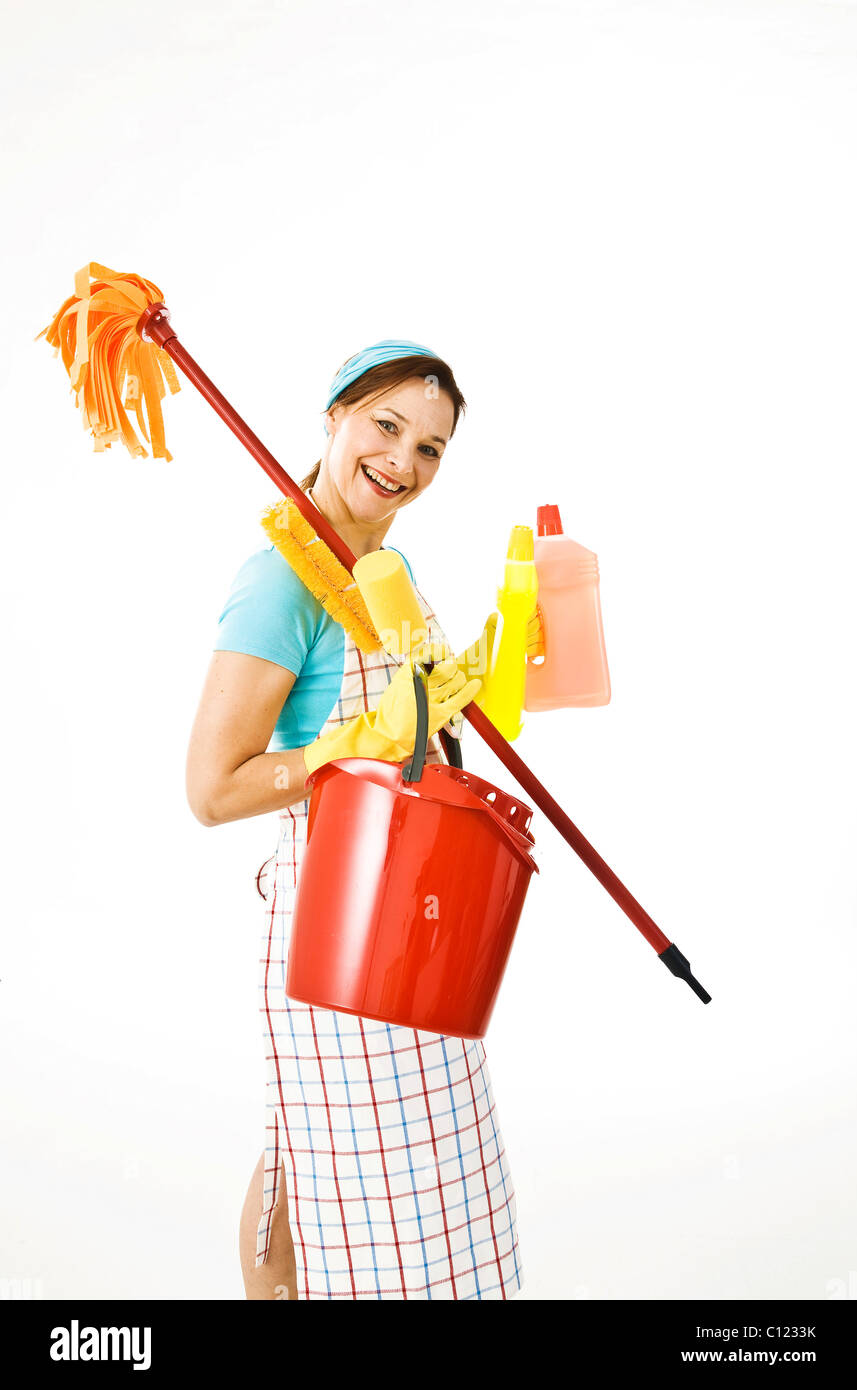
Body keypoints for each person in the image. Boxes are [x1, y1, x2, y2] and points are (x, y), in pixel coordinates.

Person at [185, 341, 523, 1300]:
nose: (403, 462)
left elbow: (439, 733)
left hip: (414, 901)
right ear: (334, 415)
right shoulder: (280, 581)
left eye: (431, 449)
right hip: (336, 916)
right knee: (334, 1153)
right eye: (386, 426)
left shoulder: (388, 571)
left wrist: (499, 663)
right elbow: (212, 790)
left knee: (322, 1146)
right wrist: (346, 747)